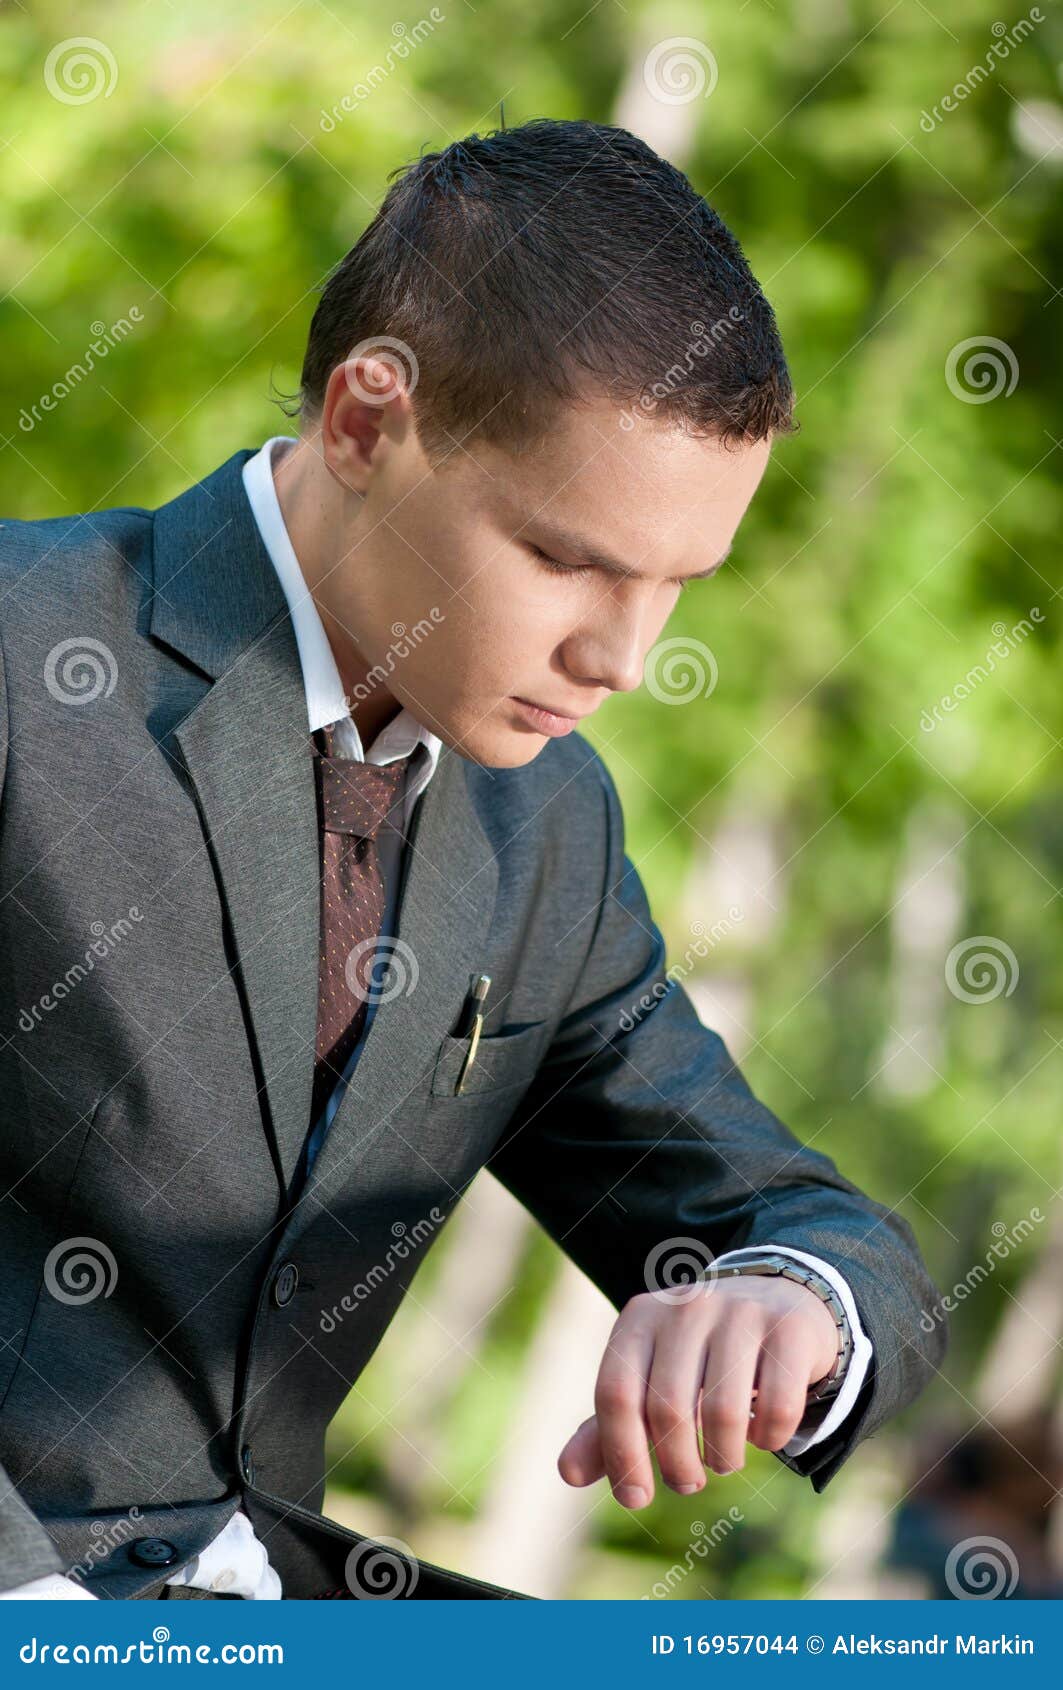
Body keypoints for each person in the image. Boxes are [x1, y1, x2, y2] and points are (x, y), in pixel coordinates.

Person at [0, 118, 946, 1600]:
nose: (622, 656)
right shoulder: (24, 664)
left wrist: (788, 1301)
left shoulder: (545, 825)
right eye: (568, 557)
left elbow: (803, 1219)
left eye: (677, 586)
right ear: (369, 424)